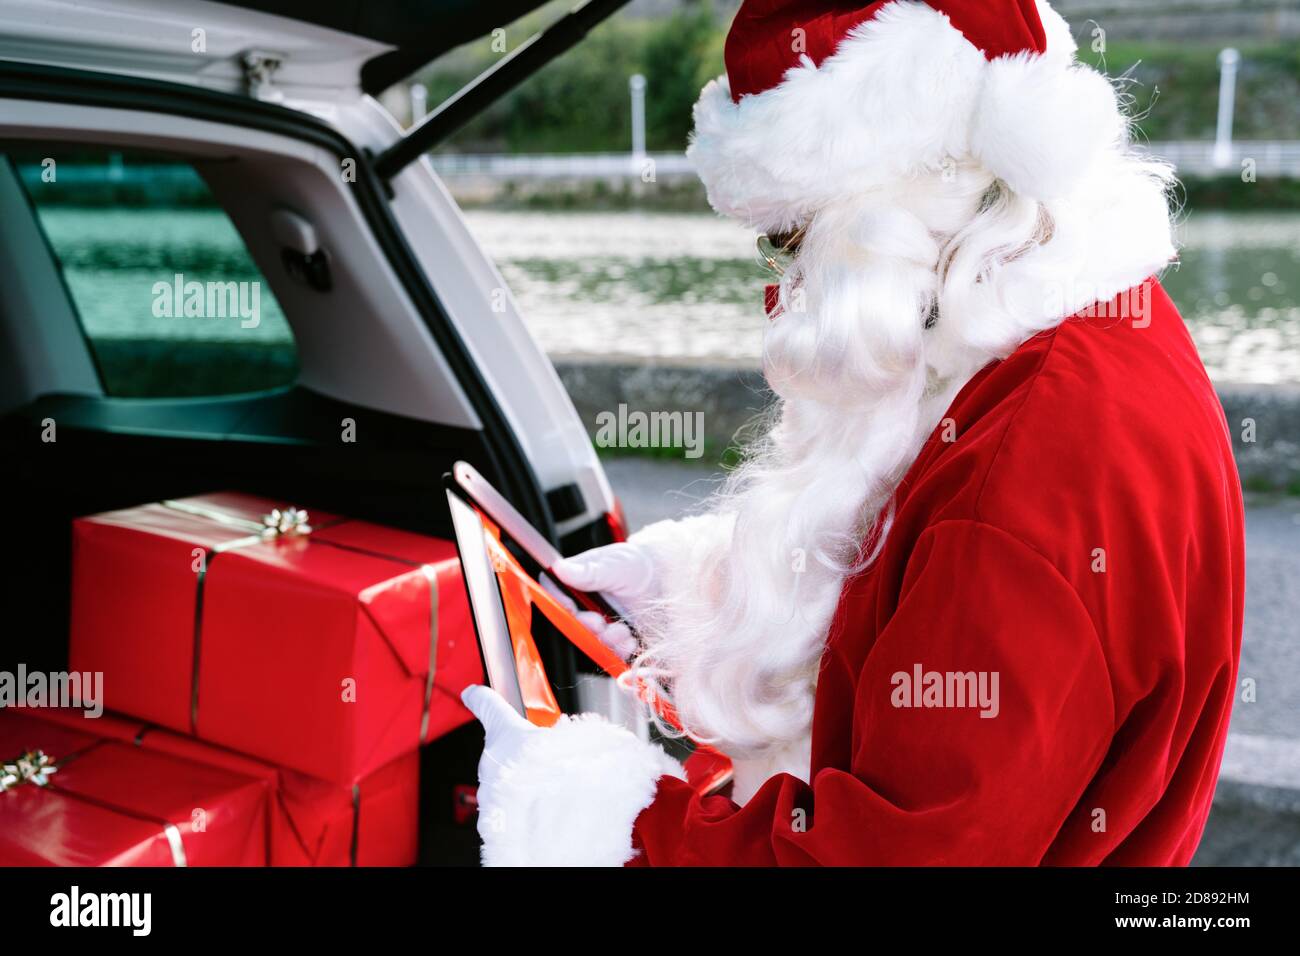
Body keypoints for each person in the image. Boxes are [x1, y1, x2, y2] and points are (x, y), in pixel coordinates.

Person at [462, 0, 1245, 866]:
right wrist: (700, 593)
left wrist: (609, 823)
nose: (784, 284)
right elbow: (931, 572)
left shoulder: (1038, 460)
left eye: (790, 237)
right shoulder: (1058, 327)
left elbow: (900, 851)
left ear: (896, 197)